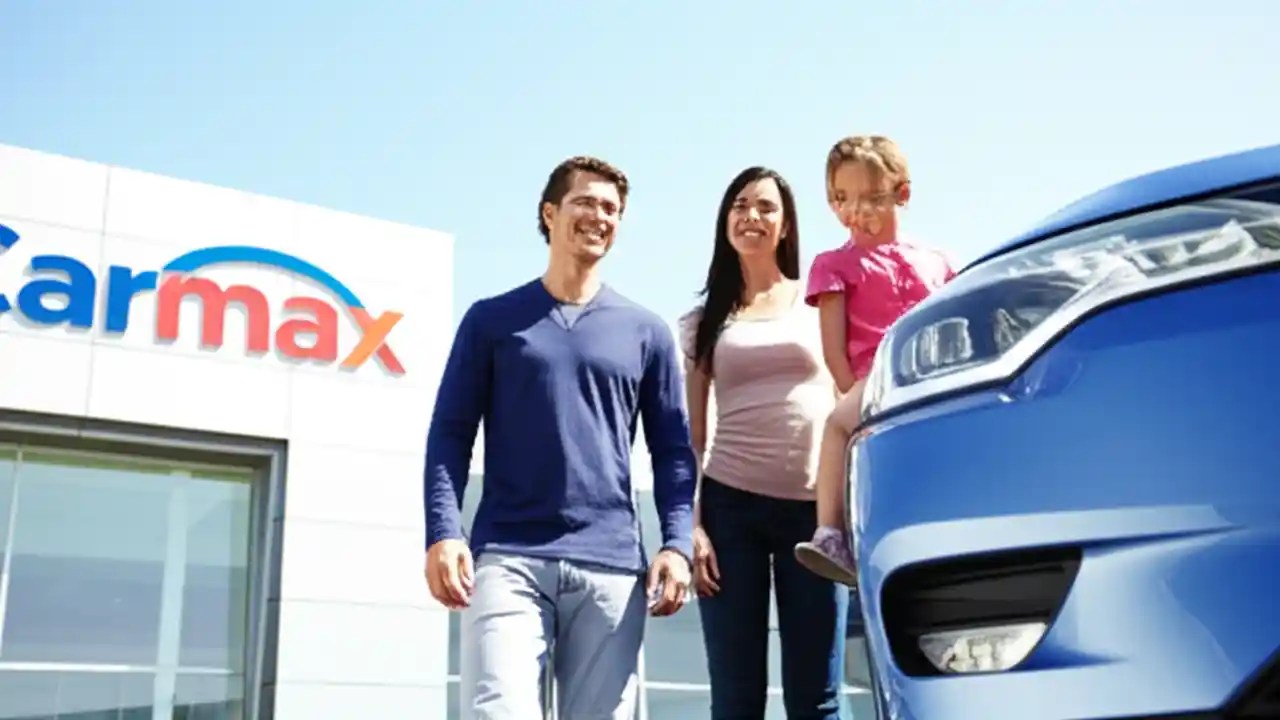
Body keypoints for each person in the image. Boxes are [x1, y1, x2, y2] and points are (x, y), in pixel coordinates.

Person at [422, 155, 697, 720]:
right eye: (585, 202)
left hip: (612, 565)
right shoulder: (491, 321)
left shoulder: (646, 331)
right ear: (549, 214)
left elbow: (672, 452)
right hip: (508, 558)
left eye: (612, 208)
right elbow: (450, 435)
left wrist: (675, 543)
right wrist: (444, 532)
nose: (600, 216)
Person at [680, 166, 849, 719]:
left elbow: (849, 390)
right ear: (725, 221)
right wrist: (692, 526)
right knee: (735, 698)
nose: (751, 216)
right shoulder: (705, 322)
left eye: (765, 207)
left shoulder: (819, 301)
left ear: (785, 225)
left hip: (814, 515)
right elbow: (692, 436)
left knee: (818, 698)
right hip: (731, 513)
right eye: (740, 206)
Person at [793, 135, 956, 586]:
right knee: (837, 424)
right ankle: (831, 534)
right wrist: (855, 399)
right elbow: (833, 347)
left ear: (902, 194)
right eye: (841, 199)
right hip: (878, 377)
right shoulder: (834, 265)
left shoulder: (939, 261)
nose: (855, 210)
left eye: (870, 197)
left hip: (935, 378)